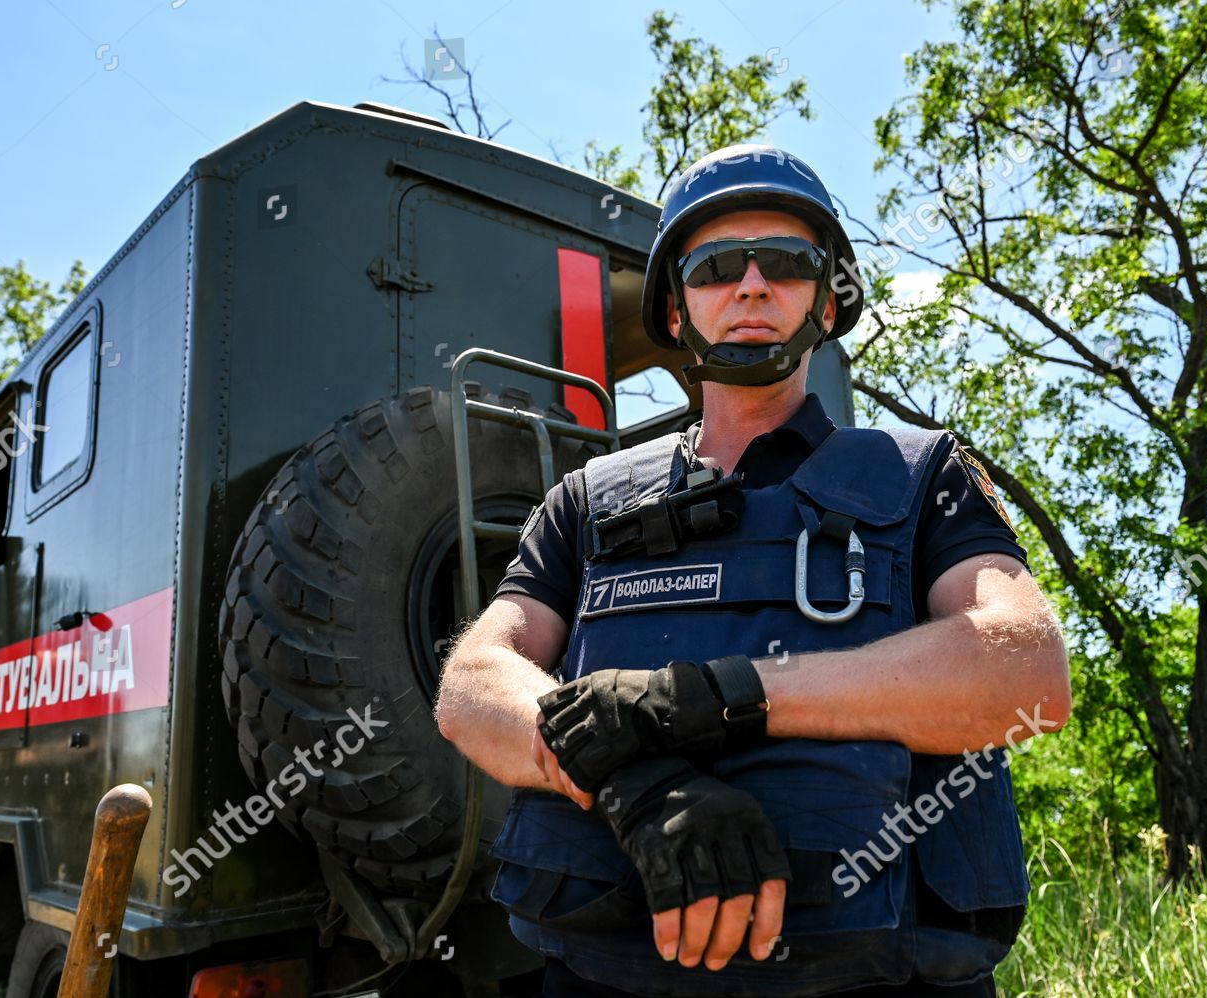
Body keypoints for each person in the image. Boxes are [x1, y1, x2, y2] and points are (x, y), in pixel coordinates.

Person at [436, 144, 1072, 998]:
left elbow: (1028, 672)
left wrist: (723, 697)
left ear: (827, 299)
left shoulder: (922, 476)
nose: (751, 286)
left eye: (786, 263)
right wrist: (632, 779)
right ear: (675, 308)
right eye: (715, 268)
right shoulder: (586, 499)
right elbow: (473, 685)